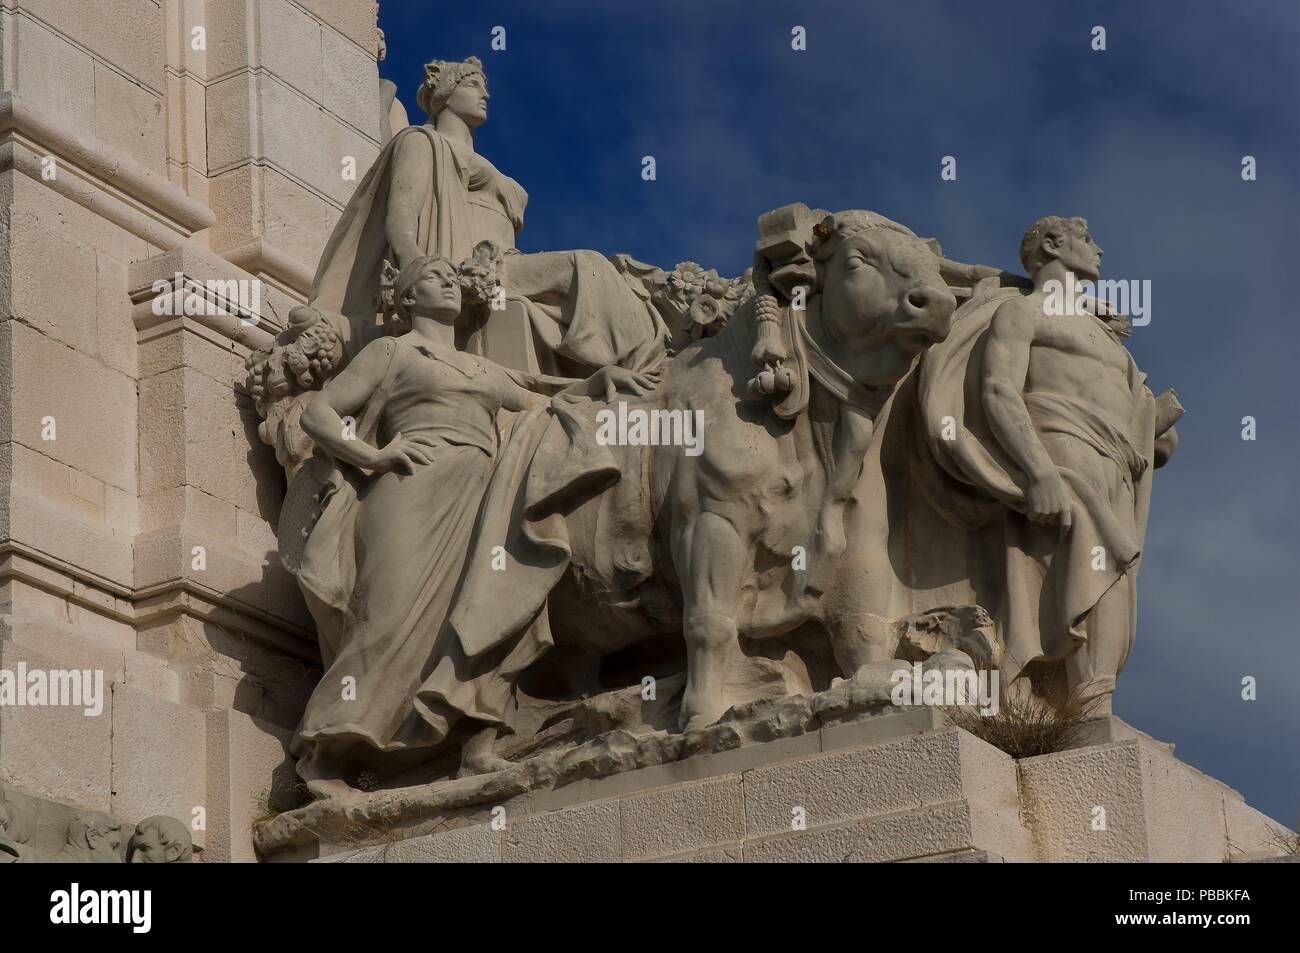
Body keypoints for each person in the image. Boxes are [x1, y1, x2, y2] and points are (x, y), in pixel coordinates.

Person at [290, 255, 656, 798]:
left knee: (484, 611)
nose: (450, 283)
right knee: (387, 619)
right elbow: (319, 413)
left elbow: (544, 401)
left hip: (481, 498)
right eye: (434, 276)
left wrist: (600, 379)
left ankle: (476, 740)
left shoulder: (483, 369)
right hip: (410, 491)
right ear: (408, 298)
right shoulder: (393, 351)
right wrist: (373, 454)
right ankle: (324, 752)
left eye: (451, 276)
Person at [310, 56, 666, 377]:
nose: (485, 94)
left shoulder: (470, 156)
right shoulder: (421, 142)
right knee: (585, 265)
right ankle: (646, 366)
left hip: (504, 264)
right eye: (472, 85)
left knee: (617, 275)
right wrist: (420, 271)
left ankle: (627, 360)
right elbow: (401, 217)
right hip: (472, 270)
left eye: (484, 87)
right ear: (446, 93)